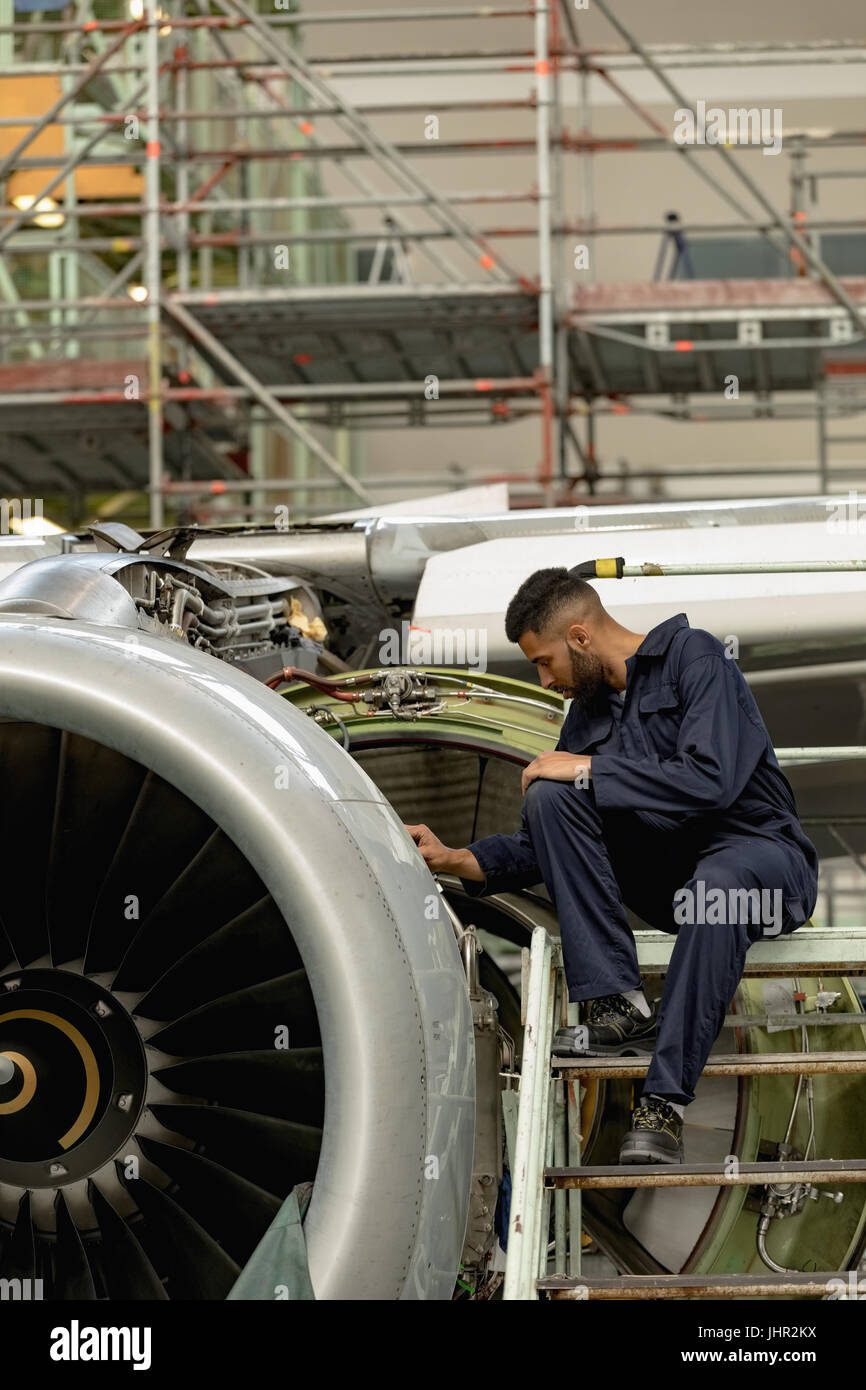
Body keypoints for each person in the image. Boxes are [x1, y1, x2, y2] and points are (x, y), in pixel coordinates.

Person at [405, 568, 819, 1164]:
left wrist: (586, 769)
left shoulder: (694, 657)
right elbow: (541, 842)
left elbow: (711, 781)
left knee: (713, 880)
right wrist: (458, 858)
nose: (549, 683)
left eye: (546, 663)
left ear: (580, 637)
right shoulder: (592, 713)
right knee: (549, 796)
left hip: (763, 860)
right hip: (678, 876)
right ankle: (618, 1003)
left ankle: (663, 1104)